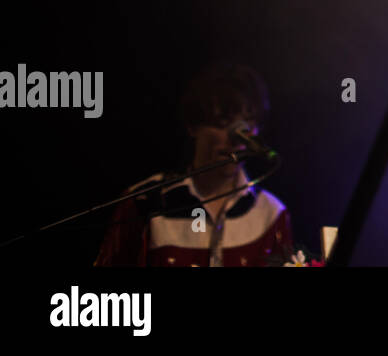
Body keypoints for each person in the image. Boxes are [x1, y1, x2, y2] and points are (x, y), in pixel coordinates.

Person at [94, 63, 293, 267]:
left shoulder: (270, 213)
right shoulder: (145, 202)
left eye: (247, 125)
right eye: (224, 123)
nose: (238, 139)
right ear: (193, 125)